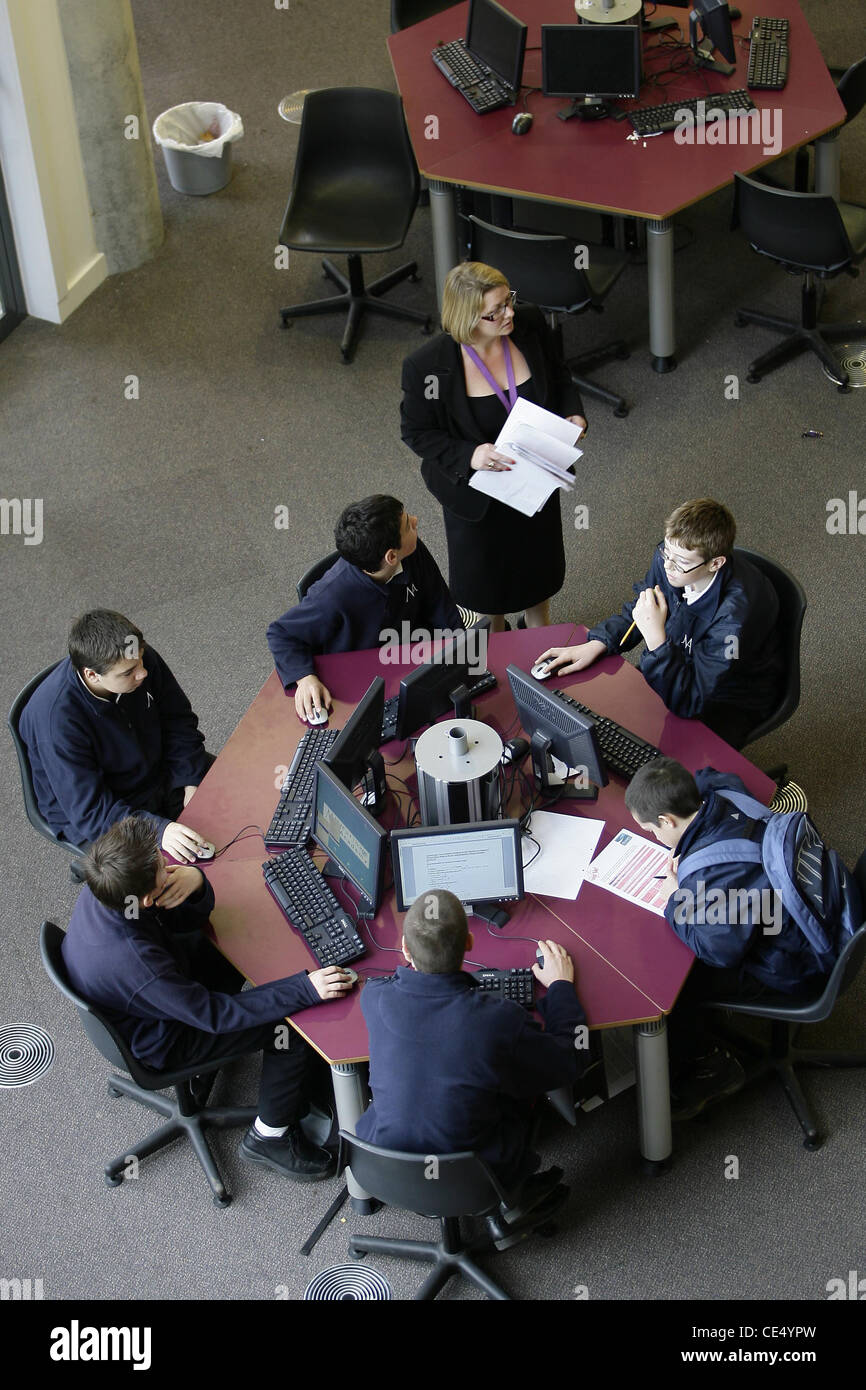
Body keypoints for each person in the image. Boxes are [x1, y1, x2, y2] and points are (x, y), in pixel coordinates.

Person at [62, 816, 355, 1181]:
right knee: (293, 1026)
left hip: (148, 999)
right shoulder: (139, 965)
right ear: (147, 898)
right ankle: (270, 1136)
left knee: (234, 941)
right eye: (162, 865)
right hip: (166, 1038)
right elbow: (215, 1015)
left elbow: (178, 921)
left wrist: (196, 882)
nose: (168, 861)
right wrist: (304, 989)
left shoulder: (108, 880)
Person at [624, 757, 858, 1116]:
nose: (654, 837)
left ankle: (708, 1068)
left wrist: (676, 901)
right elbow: (710, 774)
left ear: (667, 821)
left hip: (798, 964)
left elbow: (718, 951)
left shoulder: (718, 872)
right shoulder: (727, 794)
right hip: (826, 907)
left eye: (652, 830)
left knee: (679, 984)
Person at [356, 889, 586, 1192]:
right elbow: (572, 1058)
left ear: (404, 949)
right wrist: (560, 987)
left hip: (385, 1165)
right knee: (517, 1081)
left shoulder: (374, 996)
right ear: (469, 943)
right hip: (475, 1175)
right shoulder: (497, 1018)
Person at [400, 262, 588, 633]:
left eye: (509, 301)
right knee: (489, 588)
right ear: (468, 318)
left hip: (535, 476)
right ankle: (499, 642)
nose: (510, 313)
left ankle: (539, 631)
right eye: (496, 311)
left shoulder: (529, 325)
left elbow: (560, 376)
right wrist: (471, 455)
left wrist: (573, 414)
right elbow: (417, 432)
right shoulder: (427, 367)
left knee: (538, 568)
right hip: (478, 492)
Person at [536, 498, 785, 750]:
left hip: (728, 696)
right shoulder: (670, 562)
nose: (667, 566)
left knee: (664, 765)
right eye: (667, 551)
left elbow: (690, 701)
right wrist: (599, 642)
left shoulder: (733, 621)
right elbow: (643, 606)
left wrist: (656, 641)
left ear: (715, 563)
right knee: (606, 718)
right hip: (677, 658)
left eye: (681, 561)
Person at [20, 609, 215, 863]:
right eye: (128, 673)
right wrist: (158, 831)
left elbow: (177, 720)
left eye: (141, 661)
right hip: (100, 812)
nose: (142, 673)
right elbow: (89, 812)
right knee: (167, 881)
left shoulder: (135, 659)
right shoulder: (54, 721)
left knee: (235, 798)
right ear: (92, 675)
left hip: (156, 773)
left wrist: (190, 779)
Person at [267, 494, 463, 721]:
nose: (416, 521)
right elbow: (281, 633)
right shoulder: (331, 595)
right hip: (360, 686)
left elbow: (440, 606)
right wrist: (305, 677)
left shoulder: (413, 551)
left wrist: (460, 657)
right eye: (409, 525)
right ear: (391, 556)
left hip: (411, 661)